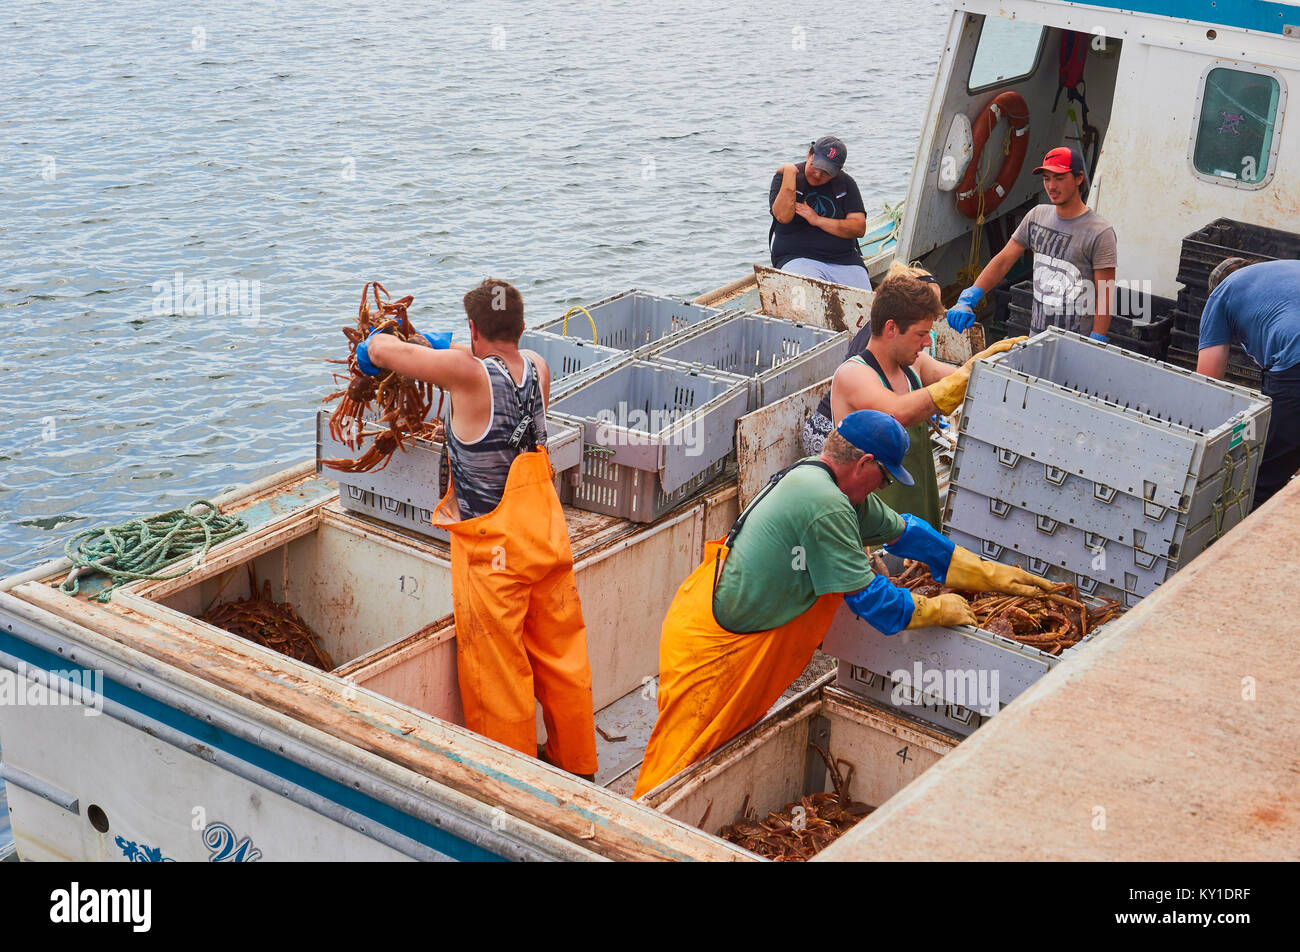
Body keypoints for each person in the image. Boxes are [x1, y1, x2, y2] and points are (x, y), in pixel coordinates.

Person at [632, 410, 1054, 797]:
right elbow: (872, 600)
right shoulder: (826, 504)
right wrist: (935, 610)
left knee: (711, 756)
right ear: (865, 464)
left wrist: (987, 573)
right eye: (885, 478)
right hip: (717, 646)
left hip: (739, 623)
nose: (884, 487)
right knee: (676, 767)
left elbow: (905, 533)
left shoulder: (831, 486)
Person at [357, 278, 599, 780]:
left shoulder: (466, 377)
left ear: (472, 326)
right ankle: (578, 766)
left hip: (495, 556)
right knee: (562, 658)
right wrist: (447, 343)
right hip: (546, 539)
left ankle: (513, 781)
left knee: (500, 674)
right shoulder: (538, 367)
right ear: (523, 325)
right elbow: (474, 353)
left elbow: (386, 351)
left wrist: (370, 348)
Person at [800, 262, 1025, 527]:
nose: (928, 342)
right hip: (876, 523)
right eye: (921, 334)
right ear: (891, 328)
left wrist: (991, 365)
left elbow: (958, 378)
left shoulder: (914, 366)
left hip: (920, 507)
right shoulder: (853, 375)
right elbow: (898, 412)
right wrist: (961, 379)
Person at [947, 146, 1117, 341]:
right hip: (1036, 336)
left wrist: (1096, 340)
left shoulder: (1100, 232)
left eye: (1059, 178)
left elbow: (1105, 294)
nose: (1051, 186)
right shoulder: (1037, 215)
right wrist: (970, 296)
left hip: (1076, 342)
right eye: (1047, 178)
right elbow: (1003, 260)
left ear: (1079, 178)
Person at [1196, 257, 1300, 510]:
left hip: (1295, 355)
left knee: (1263, 477)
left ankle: (1241, 542)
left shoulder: (1221, 295)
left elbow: (1207, 383)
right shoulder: (1284, 270)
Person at [768, 135, 871, 290]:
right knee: (811, 294)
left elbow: (858, 228)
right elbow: (783, 216)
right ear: (809, 155)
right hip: (796, 257)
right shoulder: (786, 177)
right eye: (815, 167)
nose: (817, 175)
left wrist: (817, 220)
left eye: (826, 172)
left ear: (837, 171)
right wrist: (789, 173)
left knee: (863, 303)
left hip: (843, 259)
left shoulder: (845, 184)